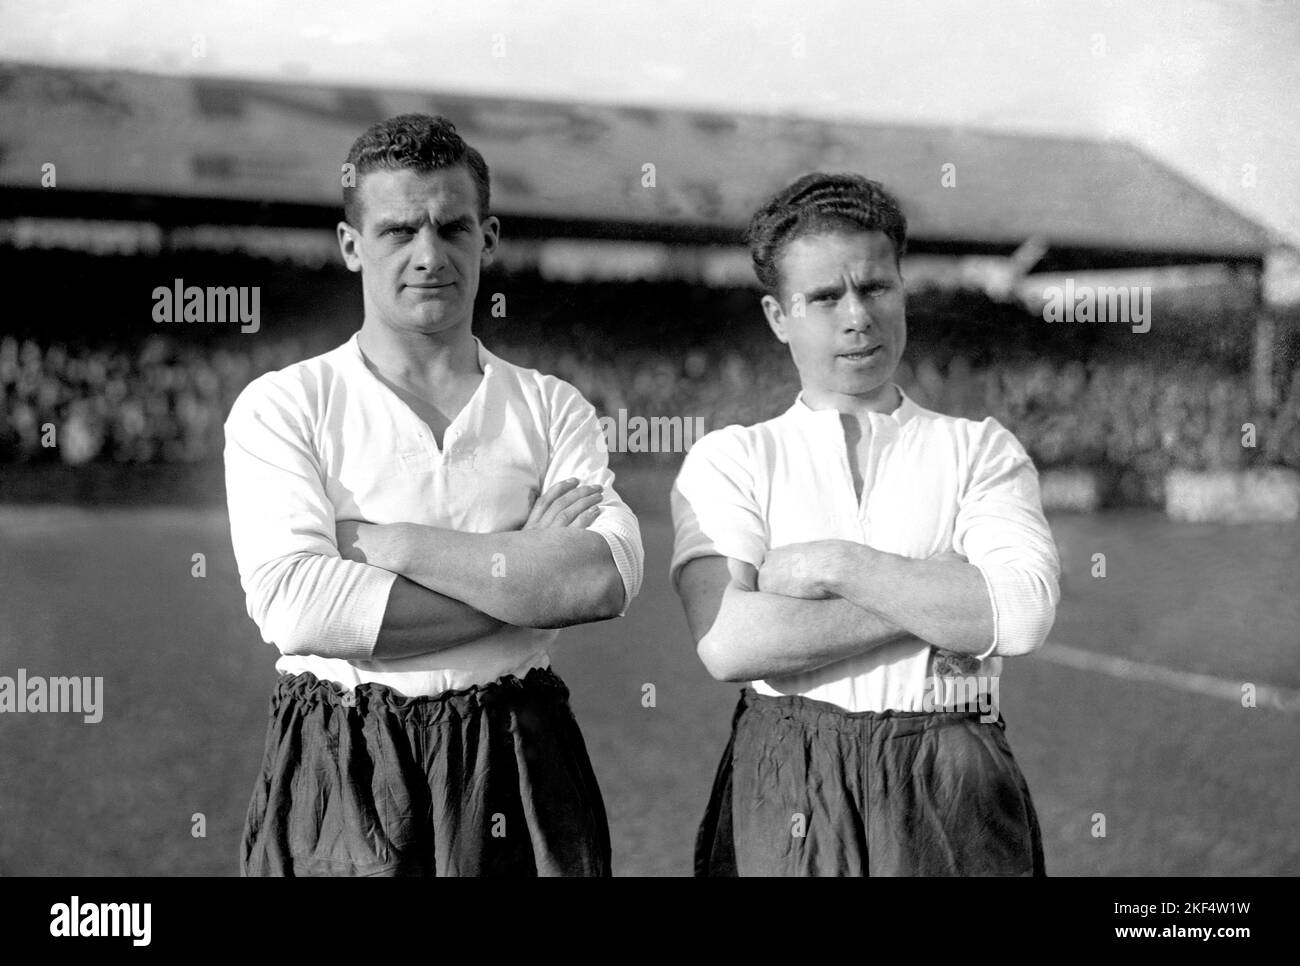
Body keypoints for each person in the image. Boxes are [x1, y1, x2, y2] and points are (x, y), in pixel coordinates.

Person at [224, 114, 643, 876]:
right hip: (344, 746)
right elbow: (297, 607)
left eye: (452, 228)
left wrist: (395, 548)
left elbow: (600, 579)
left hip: (516, 744)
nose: (429, 255)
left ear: (487, 238)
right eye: (397, 231)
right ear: (352, 246)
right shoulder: (284, 404)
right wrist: (522, 577)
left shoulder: (552, 407)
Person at [671, 172, 1059, 876]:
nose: (858, 316)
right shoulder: (733, 458)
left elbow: (1023, 613)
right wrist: (946, 598)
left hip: (952, 775)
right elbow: (729, 643)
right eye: (824, 298)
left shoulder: (979, 449)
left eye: (876, 287)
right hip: (790, 774)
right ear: (777, 316)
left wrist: (835, 565)